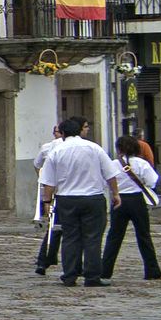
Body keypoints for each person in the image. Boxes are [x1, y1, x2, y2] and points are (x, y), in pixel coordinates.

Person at [41, 117, 122, 288]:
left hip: (67, 199)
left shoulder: (56, 151)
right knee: (93, 238)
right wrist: (116, 193)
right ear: (79, 131)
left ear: (62, 133)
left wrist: (46, 202)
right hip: (93, 198)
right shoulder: (94, 148)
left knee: (70, 238)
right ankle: (92, 276)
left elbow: (48, 182)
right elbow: (110, 174)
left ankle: (70, 275)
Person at [103, 135, 161, 282]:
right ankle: (152, 270)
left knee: (114, 237)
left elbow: (106, 182)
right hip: (137, 200)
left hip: (119, 200)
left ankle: (105, 270)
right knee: (144, 235)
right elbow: (152, 181)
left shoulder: (113, 164)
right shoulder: (141, 163)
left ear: (119, 148)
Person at [34, 125, 66, 274]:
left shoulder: (47, 147)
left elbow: (37, 165)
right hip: (67, 193)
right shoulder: (66, 148)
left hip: (53, 190)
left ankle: (44, 260)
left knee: (54, 229)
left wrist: (43, 181)